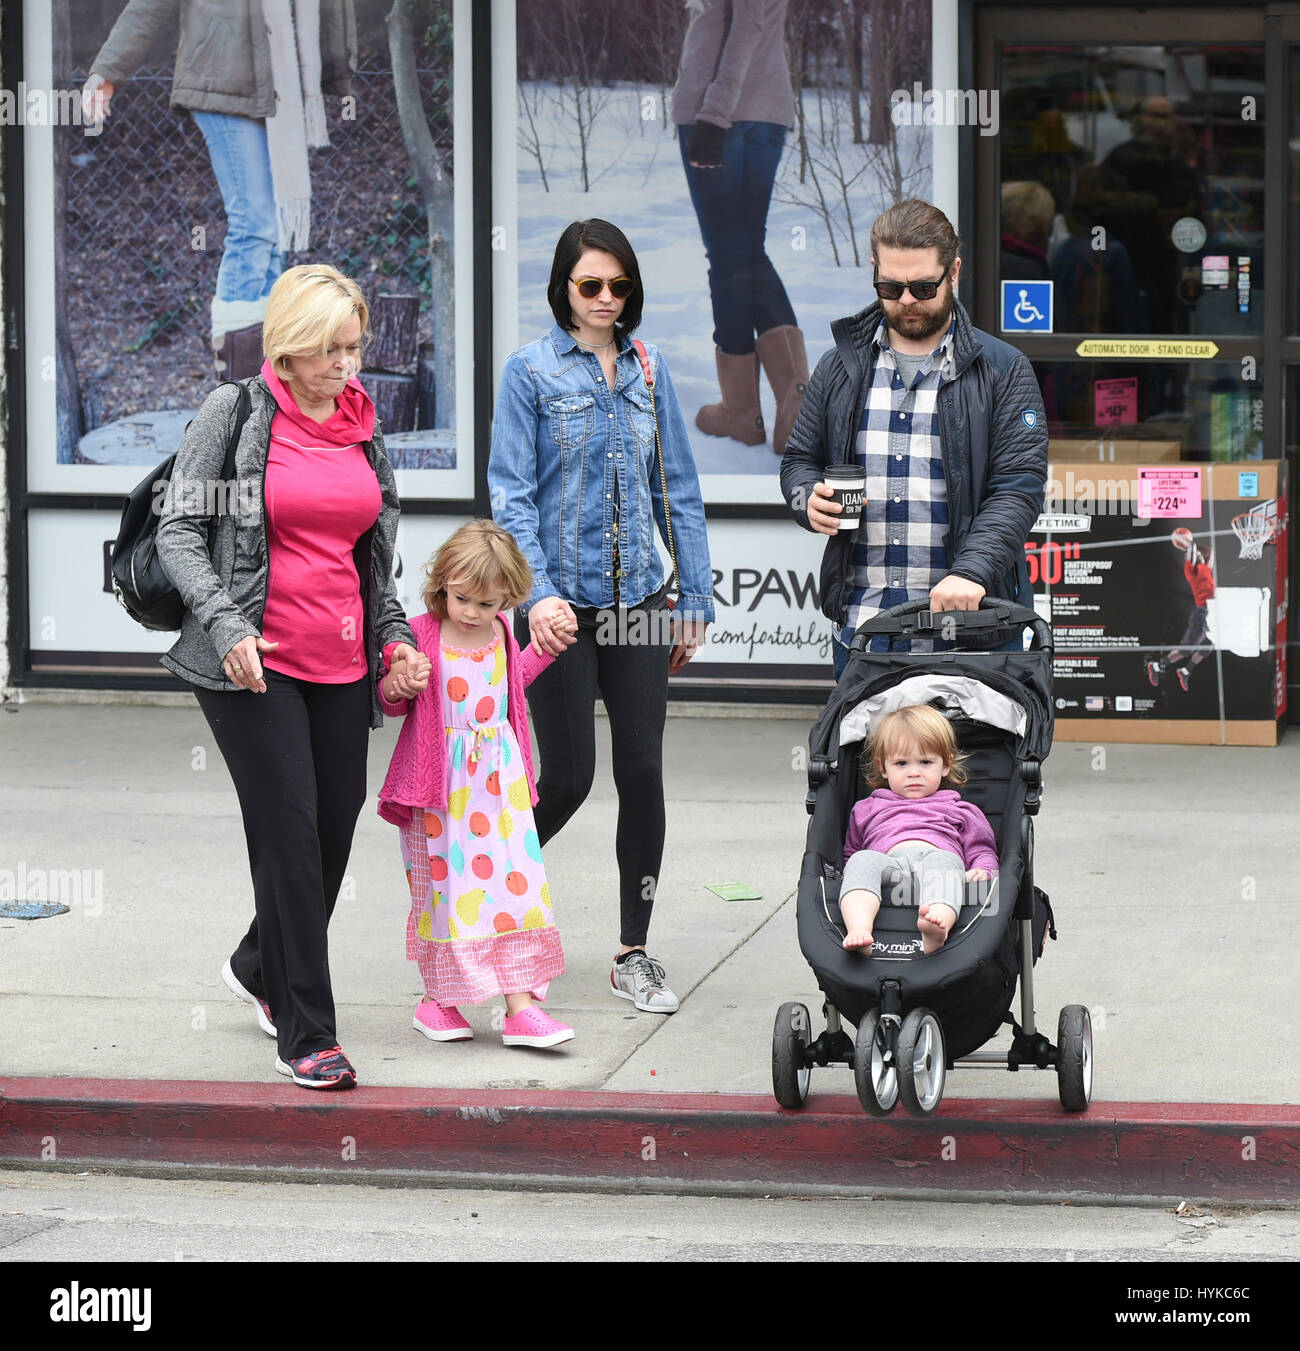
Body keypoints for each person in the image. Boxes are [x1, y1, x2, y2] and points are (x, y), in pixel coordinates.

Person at [155, 263, 420, 1090]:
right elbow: (179, 530)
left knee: (333, 830)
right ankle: (307, 1032)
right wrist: (228, 625)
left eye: (357, 347)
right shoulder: (232, 414)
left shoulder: (362, 426)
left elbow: (373, 559)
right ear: (293, 348)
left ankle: (258, 961)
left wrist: (395, 637)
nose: (350, 365)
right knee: (291, 839)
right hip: (251, 667)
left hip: (341, 663)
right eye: (334, 351)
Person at [489, 218, 715, 1015]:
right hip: (561, 609)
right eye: (591, 286)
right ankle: (475, 897)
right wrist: (536, 595)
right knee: (571, 778)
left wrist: (693, 599)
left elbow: (675, 490)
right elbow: (511, 493)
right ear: (564, 288)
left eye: (620, 286)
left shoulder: (649, 370)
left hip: (643, 603)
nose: (607, 300)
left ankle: (633, 949)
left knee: (644, 771)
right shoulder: (530, 372)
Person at [779, 198, 1049, 679]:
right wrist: (807, 499)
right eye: (890, 286)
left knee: (965, 758)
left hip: (970, 628)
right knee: (864, 758)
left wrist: (971, 573)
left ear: (954, 272)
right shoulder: (838, 366)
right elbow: (800, 459)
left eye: (924, 287)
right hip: (864, 628)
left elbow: (1018, 488)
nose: (906, 300)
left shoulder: (1003, 368)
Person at [376, 521, 578, 1049]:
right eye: (462, 598)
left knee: (515, 889)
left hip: (500, 790)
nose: (471, 613)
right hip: (438, 793)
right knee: (446, 897)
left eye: (487, 605)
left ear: (507, 601)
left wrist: (546, 649)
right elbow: (392, 700)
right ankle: (438, 1000)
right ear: (442, 582)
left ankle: (519, 1006)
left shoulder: (502, 634)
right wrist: (399, 683)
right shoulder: (419, 634)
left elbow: (515, 683)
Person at [84, 0, 357, 377]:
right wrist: (108, 70)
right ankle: (237, 378)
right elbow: (149, 6)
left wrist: (336, 70)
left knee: (274, 232)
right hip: (221, 84)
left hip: (278, 86)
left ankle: (266, 375)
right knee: (256, 224)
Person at [673, 0, 808, 453]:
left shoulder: (717, 111)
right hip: (762, 112)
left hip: (722, 116)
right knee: (746, 252)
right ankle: (794, 402)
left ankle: (742, 410)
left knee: (730, 256)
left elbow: (747, 25)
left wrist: (713, 112)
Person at [840, 706, 998, 956]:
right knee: (861, 861)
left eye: (925, 762)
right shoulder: (867, 808)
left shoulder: (960, 809)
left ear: (945, 766)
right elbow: (852, 851)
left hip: (936, 863)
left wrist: (983, 870)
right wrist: (852, 870)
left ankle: (936, 925)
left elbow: (982, 848)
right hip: (888, 866)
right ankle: (859, 928)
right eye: (901, 763)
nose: (914, 772)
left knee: (946, 861)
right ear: (883, 768)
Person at [1146, 532, 1214, 692]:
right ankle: (1157, 666)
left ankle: (1186, 670)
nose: (1199, 555)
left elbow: (1211, 551)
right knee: (1187, 649)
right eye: (1196, 555)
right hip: (1201, 613)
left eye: (1200, 554)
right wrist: (1190, 544)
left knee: (1208, 646)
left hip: (1211, 613)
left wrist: (1199, 549)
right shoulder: (1190, 570)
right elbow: (1191, 553)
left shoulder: (1205, 569)